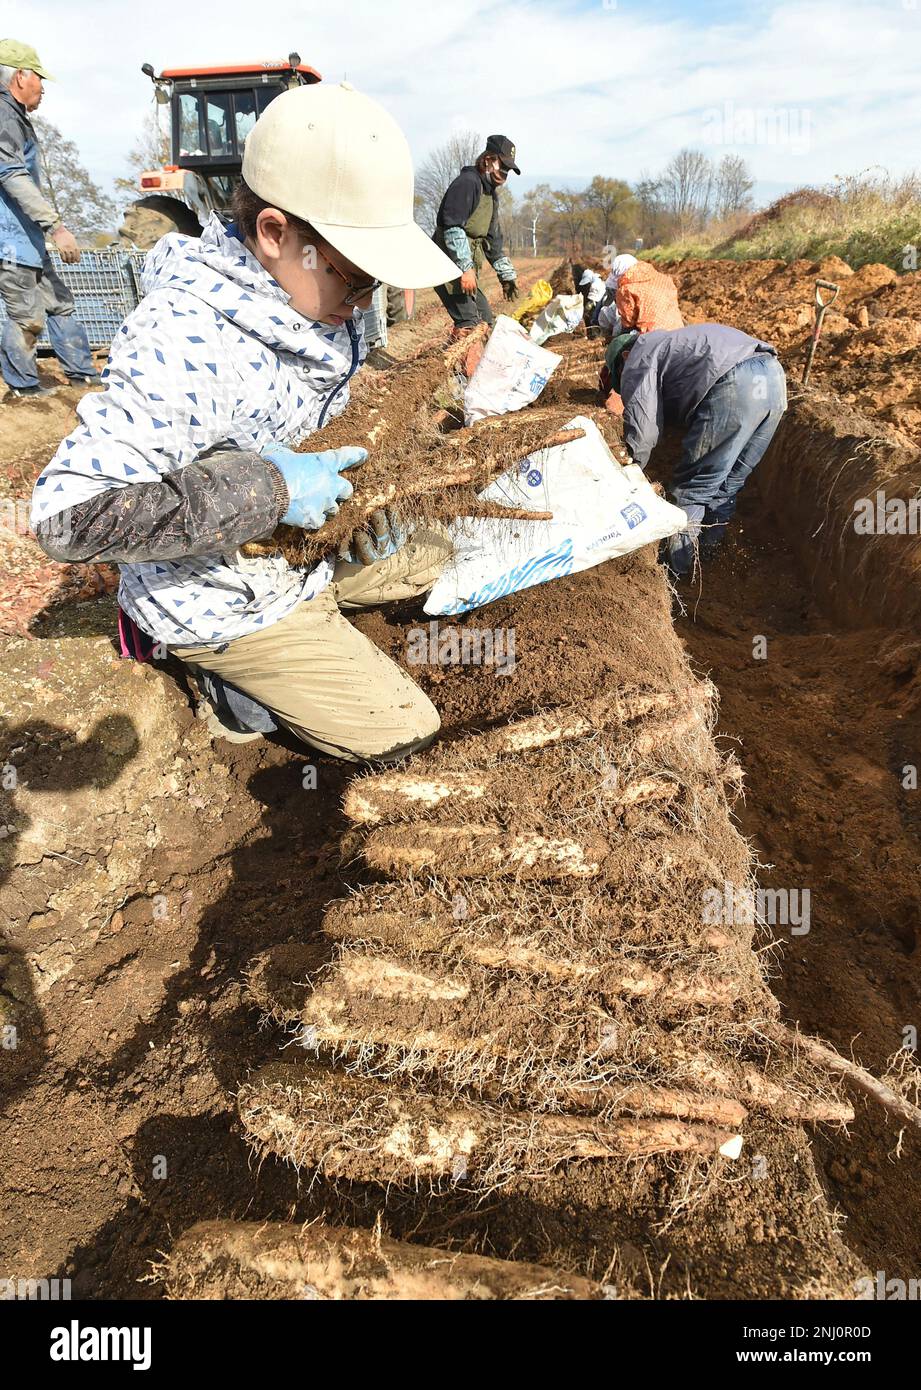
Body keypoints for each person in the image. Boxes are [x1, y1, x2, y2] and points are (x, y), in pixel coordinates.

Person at [31, 81, 463, 761]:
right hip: (215, 590)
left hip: (286, 552)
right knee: (405, 732)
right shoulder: (186, 338)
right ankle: (221, 679)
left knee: (433, 555)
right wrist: (272, 489)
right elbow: (67, 519)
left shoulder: (307, 300)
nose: (361, 302)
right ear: (273, 232)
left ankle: (302, 627)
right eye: (355, 280)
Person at [607, 323, 787, 577]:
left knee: (692, 490)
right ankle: (707, 553)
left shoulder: (638, 355)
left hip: (736, 384)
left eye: (620, 375)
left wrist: (629, 475)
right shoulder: (670, 342)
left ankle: (677, 572)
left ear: (623, 357)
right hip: (773, 380)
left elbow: (644, 433)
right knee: (727, 484)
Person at [0, 39, 99, 397]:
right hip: (10, 241)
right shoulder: (3, 114)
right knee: (26, 317)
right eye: (40, 78)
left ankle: (82, 376)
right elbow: (11, 175)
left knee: (60, 302)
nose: (43, 88)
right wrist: (55, 227)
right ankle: (24, 392)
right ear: (21, 76)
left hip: (27, 239)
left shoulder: (15, 117)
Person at [432, 135, 520, 340]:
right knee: (469, 324)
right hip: (448, 264)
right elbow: (452, 227)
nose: (505, 173)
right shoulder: (468, 183)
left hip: (465, 267)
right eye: (503, 166)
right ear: (488, 160)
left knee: (485, 320)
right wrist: (466, 268)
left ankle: (470, 368)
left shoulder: (491, 195)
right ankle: (452, 369)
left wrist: (506, 274)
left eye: (509, 170)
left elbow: (493, 242)